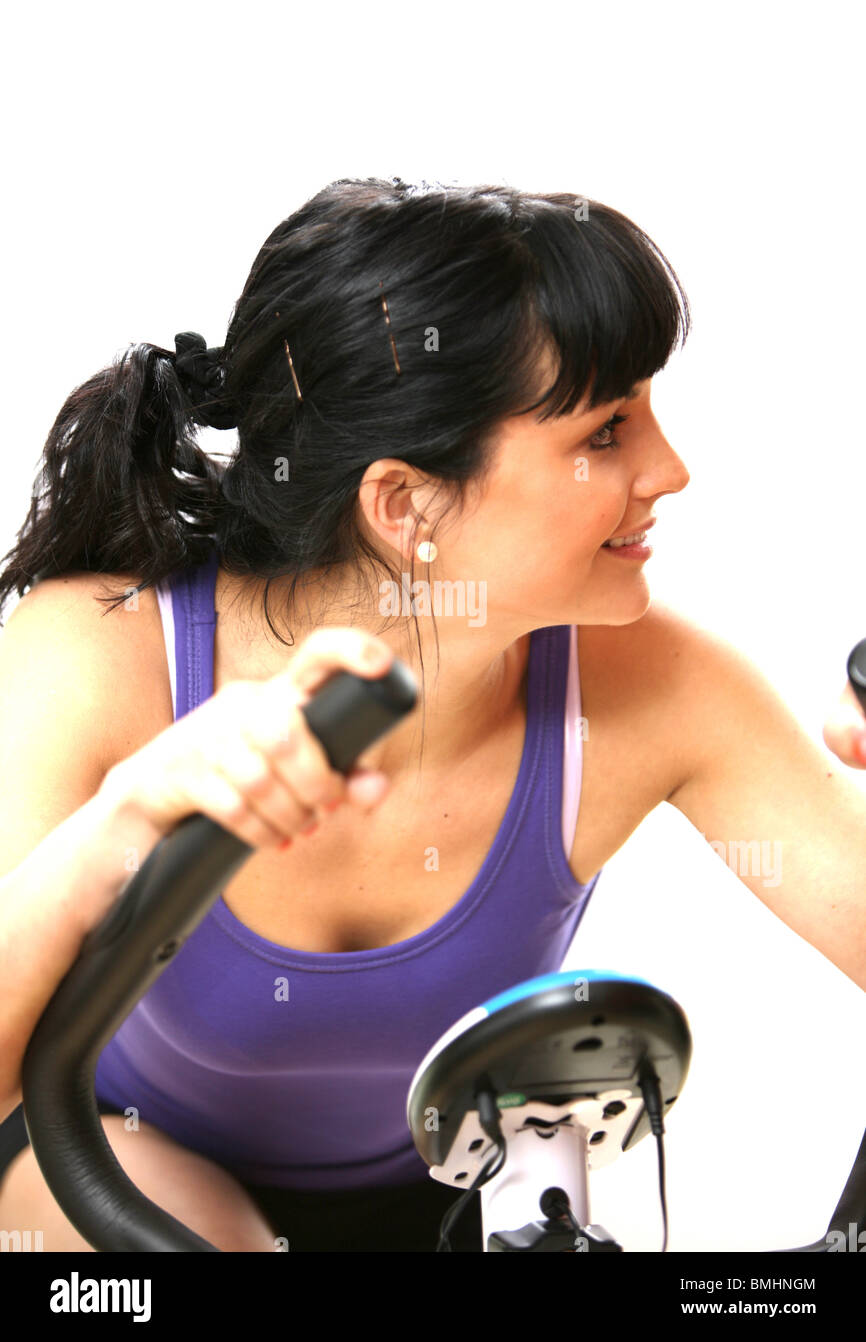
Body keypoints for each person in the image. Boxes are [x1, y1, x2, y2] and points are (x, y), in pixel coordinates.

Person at [0, 177, 864, 1254]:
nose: (669, 470)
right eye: (605, 431)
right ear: (404, 503)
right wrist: (122, 821)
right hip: (108, 1162)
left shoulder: (653, 683)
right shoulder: (96, 650)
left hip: (443, 1194)